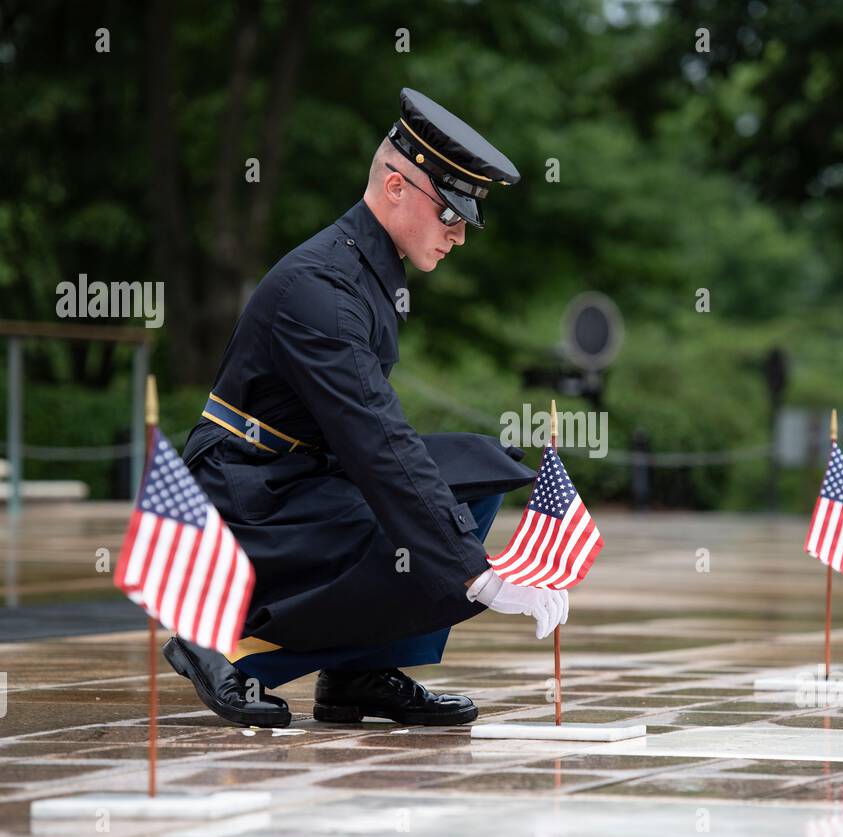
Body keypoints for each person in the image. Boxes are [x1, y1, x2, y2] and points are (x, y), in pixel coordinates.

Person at [162, 89, 568, 729]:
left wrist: (456, 550)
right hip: (245, 497)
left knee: (481, 468)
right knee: (418, 524)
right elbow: (377, 442)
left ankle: (358, 675)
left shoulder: (365, 272)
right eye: (450, 213)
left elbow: (374, 434)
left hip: (295, 476)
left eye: (466, 219)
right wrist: (474, 573)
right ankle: (217, 639)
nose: (459, 234)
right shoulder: (321, 288)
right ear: (396, 185)